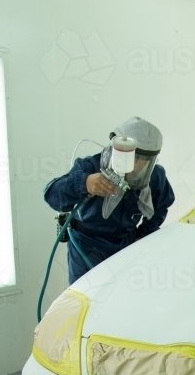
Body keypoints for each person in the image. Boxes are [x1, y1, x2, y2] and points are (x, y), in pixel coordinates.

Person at [44, 117, 175, 283]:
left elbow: (161, 206)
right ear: (116, 149)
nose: (135, 165)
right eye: (132, 156)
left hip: (127, 244)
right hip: (87, 245)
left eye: (142, 159)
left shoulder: (154, 176)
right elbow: (51, 194)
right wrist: (84, 183)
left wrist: (144, 234)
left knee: (123, 294)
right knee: (86, 295)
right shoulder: (90, 167)